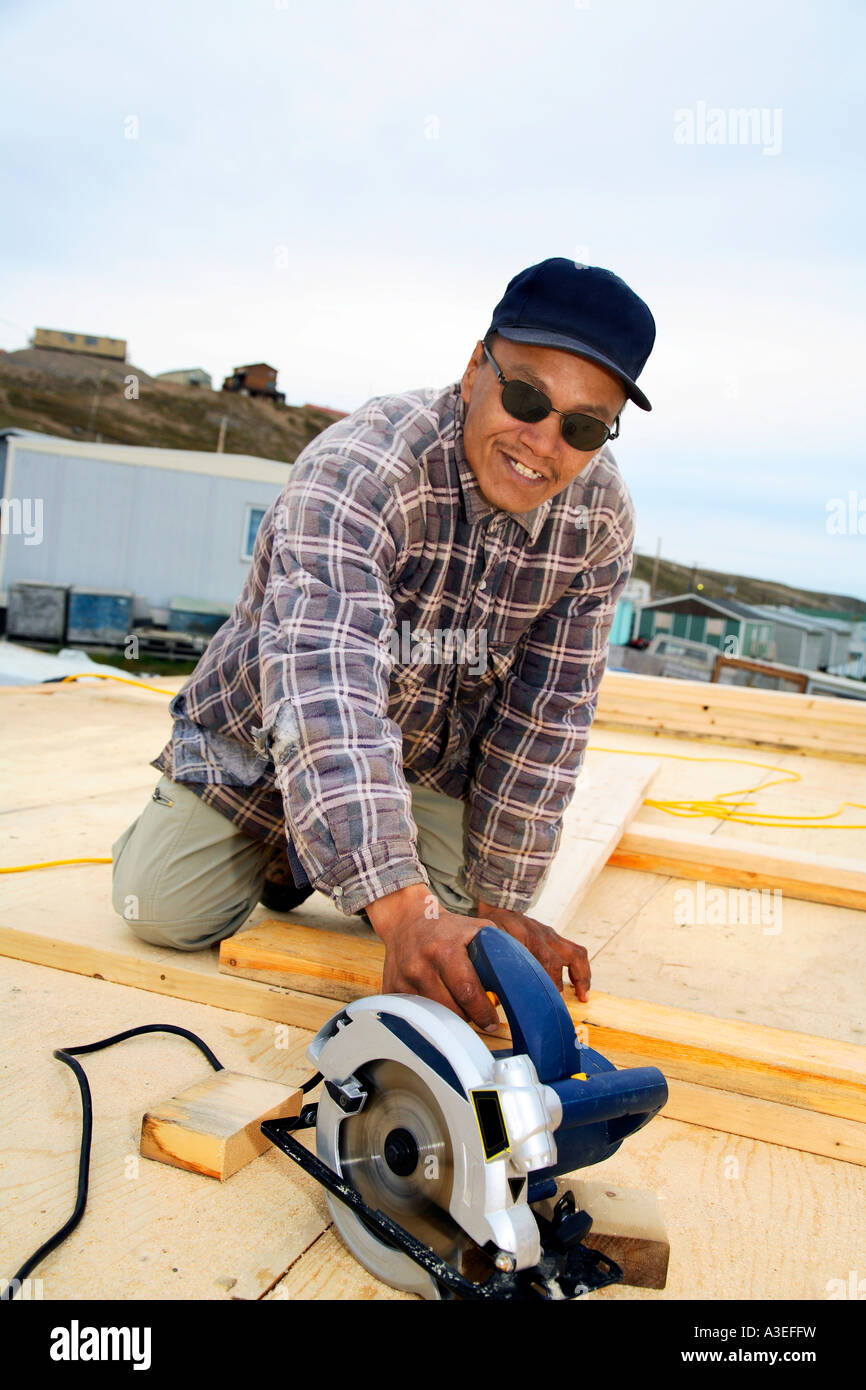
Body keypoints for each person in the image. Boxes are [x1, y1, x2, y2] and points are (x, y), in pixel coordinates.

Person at [112, 257, 656, 1033]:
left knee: (469, 942)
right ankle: (290, 847)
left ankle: (329, 853)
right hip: (264, 739)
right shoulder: (361, 469)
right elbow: (324, 692)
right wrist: (403, 917)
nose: (542, 443)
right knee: (164, 911)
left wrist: (500, 904)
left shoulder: (598, 520)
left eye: (582, 427)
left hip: (418, 763)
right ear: (476, 369)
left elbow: (547, 720)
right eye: (528, 397)